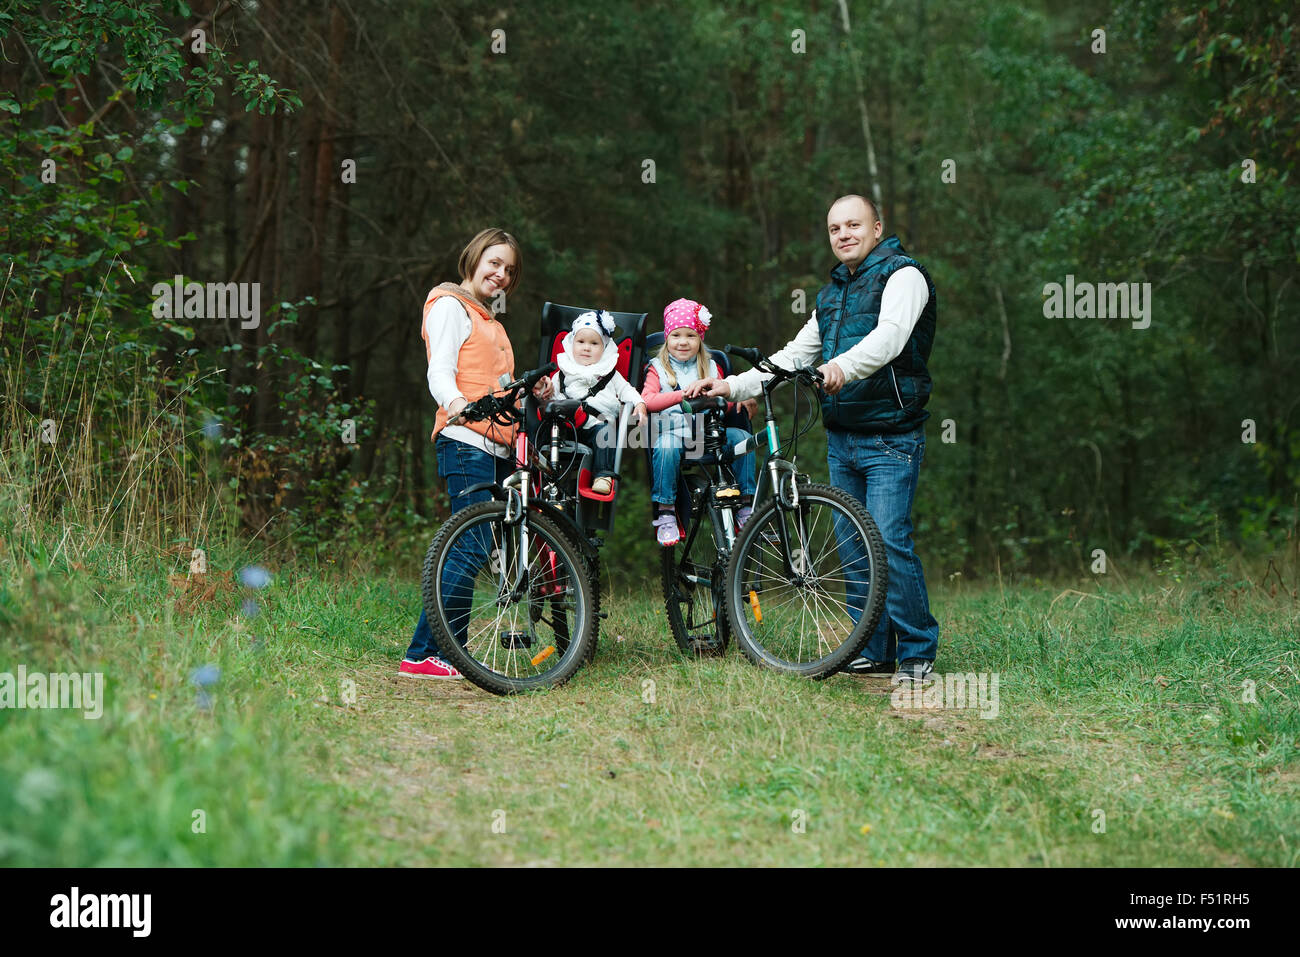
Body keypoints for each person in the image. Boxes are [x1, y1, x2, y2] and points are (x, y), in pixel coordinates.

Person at [685, 195, 940, 684]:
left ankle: (916, 651)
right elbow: (792, 356)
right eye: (834, 228)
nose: (843, 234)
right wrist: (731, 384)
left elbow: (890, 338)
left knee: (889, 539)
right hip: (843, 437)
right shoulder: (833, 294)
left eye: (853, 225)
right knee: (853, 545)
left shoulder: (904, 276)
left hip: (892, 437)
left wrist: (840, 366)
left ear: (877, 227)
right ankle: (876, 647)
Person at [400, 227, 552, 680]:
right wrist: (457, 405)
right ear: (474, 258)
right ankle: (428, 655)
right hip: (465, 442)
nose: (501, 275)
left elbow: (499, 388)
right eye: (494, 263)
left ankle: (439, 653)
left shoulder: (490, 321)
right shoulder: (449, 305)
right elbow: (440, 372)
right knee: (469, 544)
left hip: (497, 445)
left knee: (471, 545)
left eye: (509, 270)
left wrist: (532, 390)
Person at [642, 297, 757, 546]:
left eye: (691, 335)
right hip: (674, 435)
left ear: (700, 338)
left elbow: (723, 403)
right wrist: (682, 394)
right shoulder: (656, 368)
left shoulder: (711, 367)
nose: (683, 342)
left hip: (710, 434)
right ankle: (665, 512)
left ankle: (745, 506)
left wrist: (738, 399)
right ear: (667, 337)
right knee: (665, 446)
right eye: (676, 335)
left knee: (744, 439)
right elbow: (648, 400)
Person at [547, 310, 647, 495]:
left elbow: (627, 390)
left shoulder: (609, 373)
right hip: (565, 426)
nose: (586, 348)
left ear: (605, 347)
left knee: (606, 434)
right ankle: (536, 471)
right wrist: (540, 392)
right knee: (545, 427)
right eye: (581, 342)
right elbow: (550, 396)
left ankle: (602, 475)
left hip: (596, 424)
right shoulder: (563, 372)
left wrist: (639, 404)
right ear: (571, 343)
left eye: (594, 343)